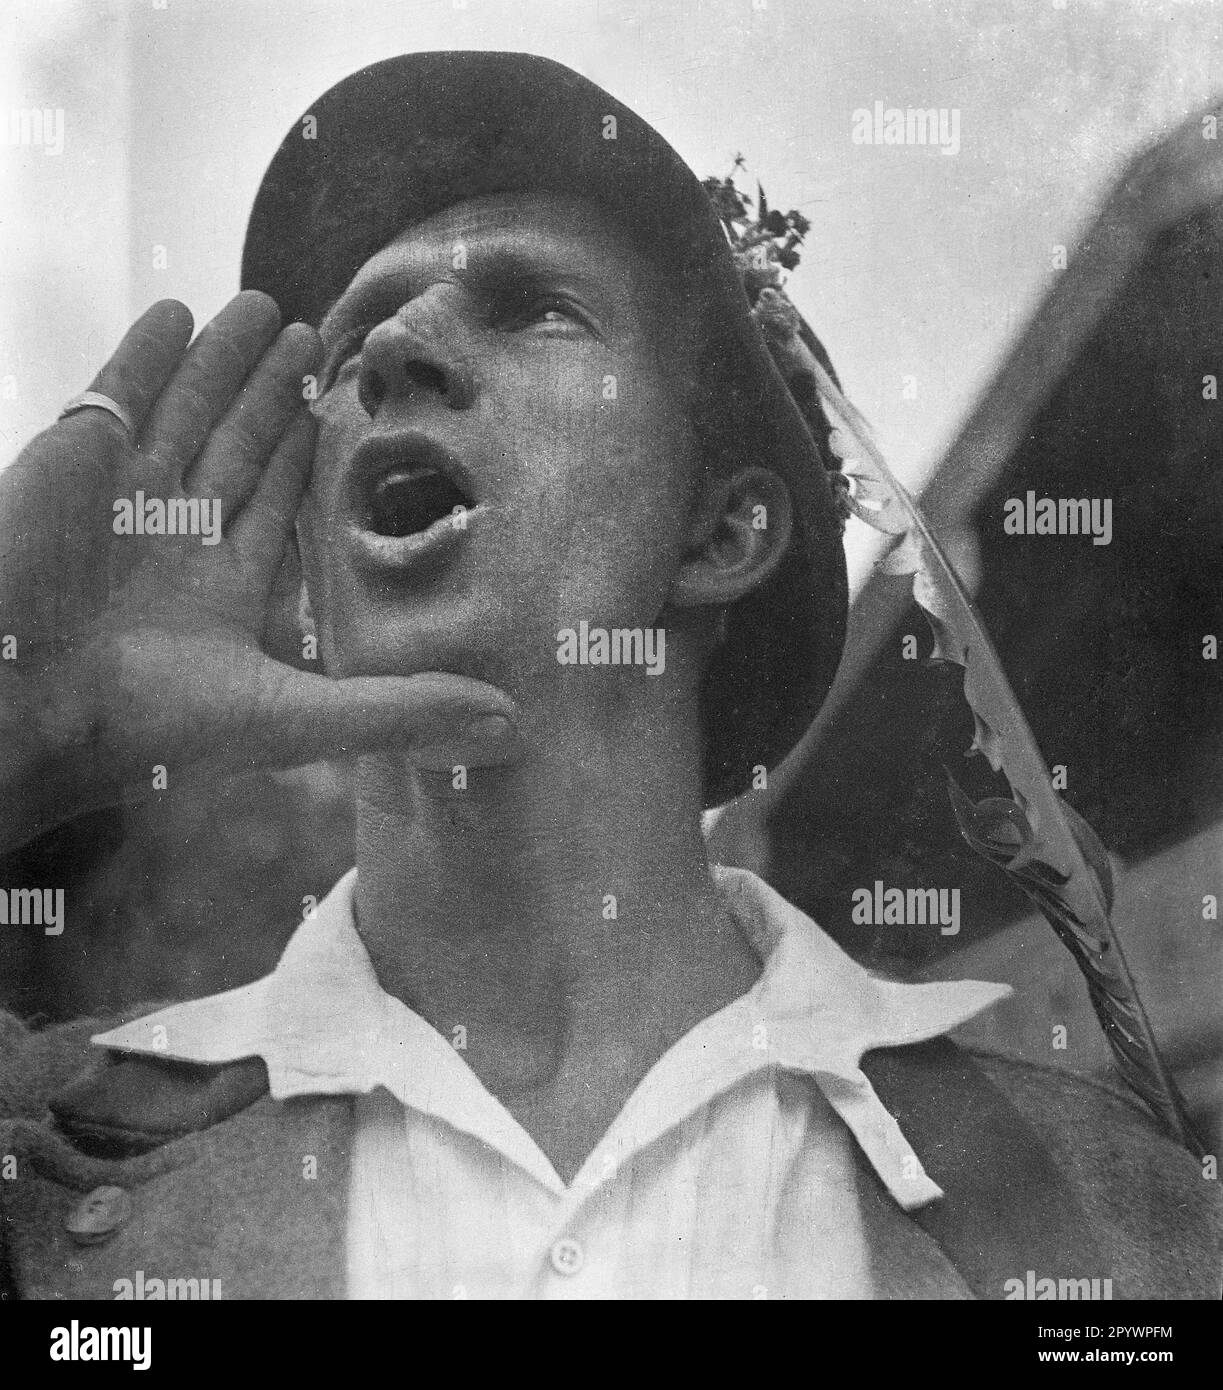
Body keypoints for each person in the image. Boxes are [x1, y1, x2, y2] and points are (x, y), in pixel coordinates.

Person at [0, 52, 1218, 1300]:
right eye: (358, 334)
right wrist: (21, 728)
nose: (395, 351)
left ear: (719, 535)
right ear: (309, 584)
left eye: (534, 307)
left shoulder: (1120, 1220)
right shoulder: (36, 1161)